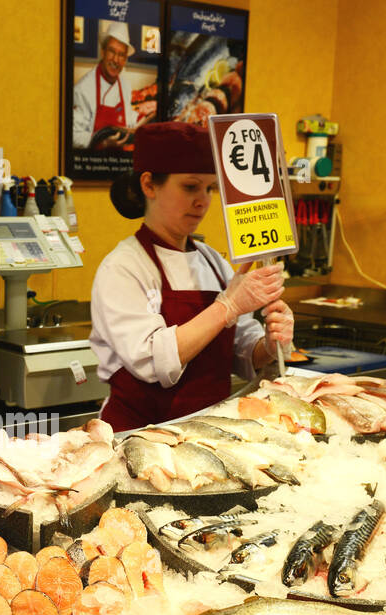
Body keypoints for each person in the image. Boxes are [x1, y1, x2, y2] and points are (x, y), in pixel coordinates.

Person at [90, 121, 294, 433]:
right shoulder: (123, 267)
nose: (203, 201)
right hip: (138, 439)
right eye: (190, 187)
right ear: (149, 185)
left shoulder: (213, 262)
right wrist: (225, 307)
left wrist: (269, 343)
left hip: (209, 436)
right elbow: (154, 363)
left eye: (210, 188)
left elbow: (240, 348)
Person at [73, 21, 138, 150]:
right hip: (93, 162)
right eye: (112, 51)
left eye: (121, 55)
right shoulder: (83, 89)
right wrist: (102, 143)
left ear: (125, 60)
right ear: (103, 52)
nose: (115, 60)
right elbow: (73, 135)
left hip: (120, 161)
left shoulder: (125, 85)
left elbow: (127, 120)